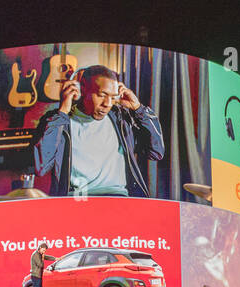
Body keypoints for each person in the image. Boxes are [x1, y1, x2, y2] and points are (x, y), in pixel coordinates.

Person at [30, 64, 166, 198]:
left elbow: (156, 152)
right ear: (82, 89)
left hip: (118, 197)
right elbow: (40, 167)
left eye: (113, 97)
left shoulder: (121, 119)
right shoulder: (58, 121)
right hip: (77, 200)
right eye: (102, 95)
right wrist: (62, 113)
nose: (107, 104)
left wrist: (138, 109)